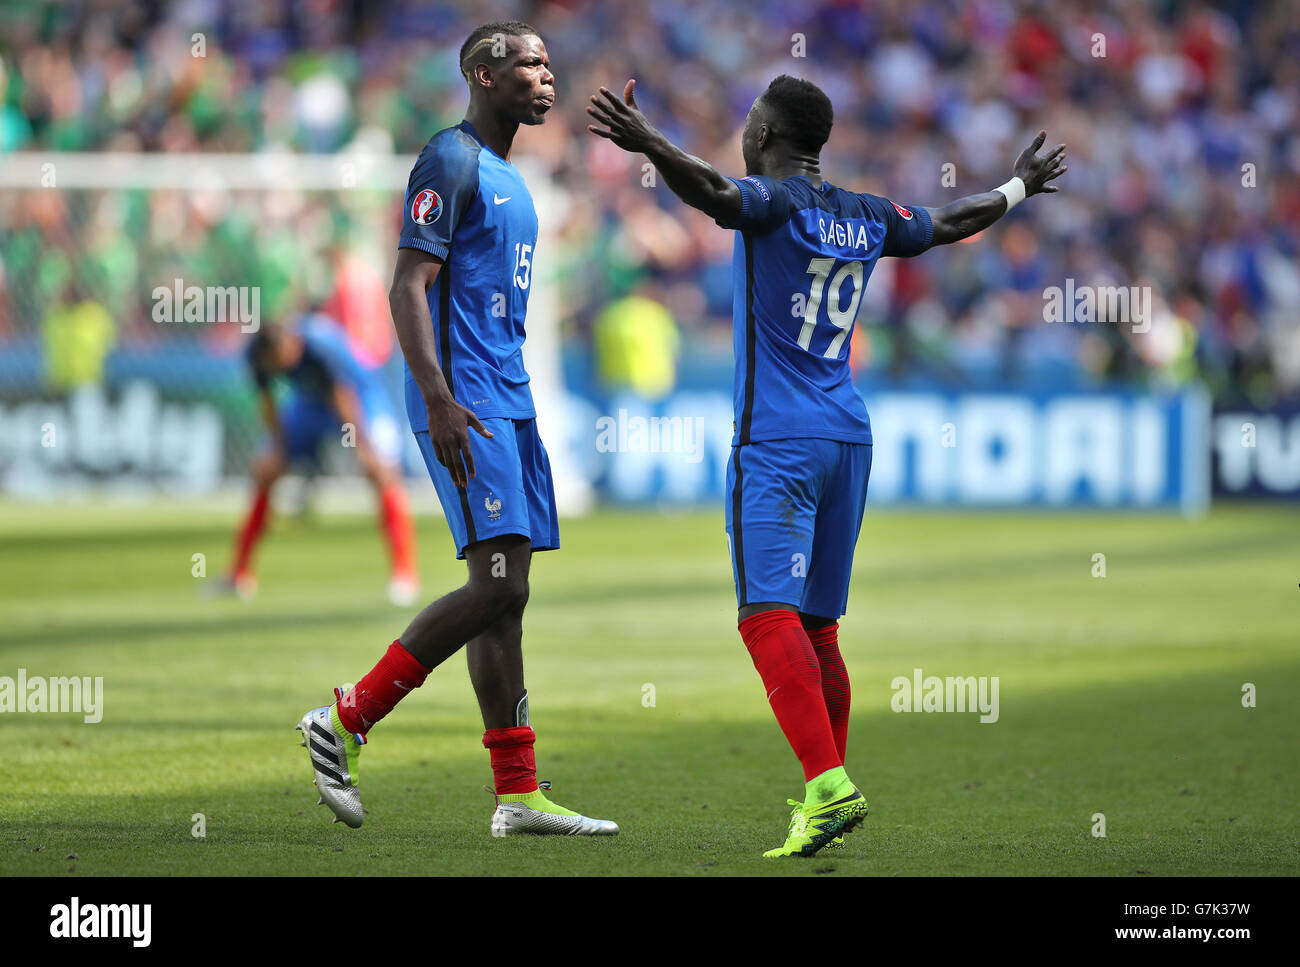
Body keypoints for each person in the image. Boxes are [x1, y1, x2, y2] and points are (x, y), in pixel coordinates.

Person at [587, 74, 1065, 856]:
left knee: (764, 616)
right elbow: (949, 221)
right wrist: (1020, 185)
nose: (744, 134)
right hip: (848, 434)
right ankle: (825, 793)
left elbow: (713, 192)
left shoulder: (774, 203)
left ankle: (828, 784)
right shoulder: (870, 214)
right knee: (819, 627)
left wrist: (647, 143)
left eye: (749, 123)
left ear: (768, 137)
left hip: (777, 437)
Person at [298, 21, 618, 837]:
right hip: (464, 398)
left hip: (509, 397)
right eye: (530, 63)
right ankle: (345, 718)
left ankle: (518, 793)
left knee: (506, 599)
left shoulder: (511, 175)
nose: (548, 76)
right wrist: (438, 396)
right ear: (483, 73)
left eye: (550, 63)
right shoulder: (449, 159)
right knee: (499, 584)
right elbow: (409, 286)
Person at [222, 314, 417, 605]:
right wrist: (278, 447)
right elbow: (268, 402)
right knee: (266, 471)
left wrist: (361, 447)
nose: (279, 368)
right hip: (311, 404)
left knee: (380, 471)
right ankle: (239, 575)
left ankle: (405, 574)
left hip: (361, 399)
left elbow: (344, 396)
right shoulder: (258, 354)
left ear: (291, 346)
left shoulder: (320, 346)